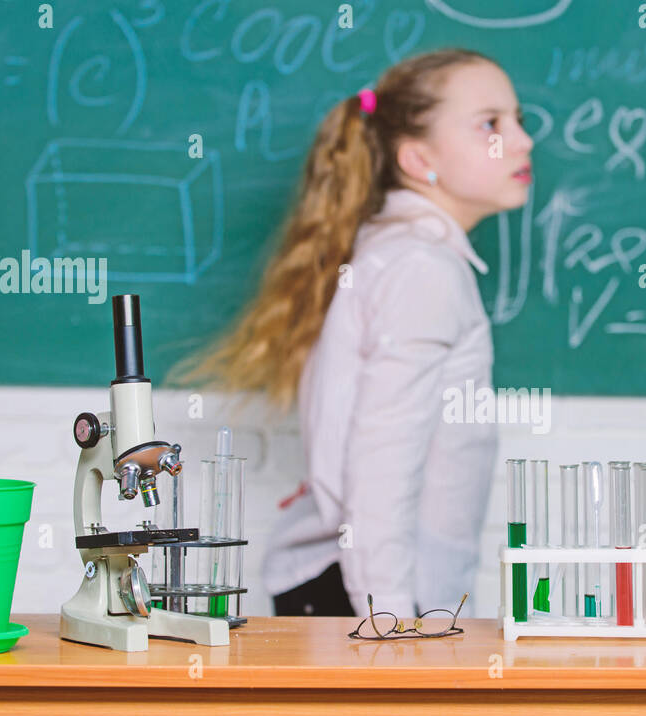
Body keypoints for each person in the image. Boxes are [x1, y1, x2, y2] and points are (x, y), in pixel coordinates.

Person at [172, 49, 534, 617]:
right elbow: (382, 463)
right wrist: (387, 622)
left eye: (518, 120)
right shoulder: (422, 269)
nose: (522, 140)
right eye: (491, 124)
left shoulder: (402, 255)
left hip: (353, 583)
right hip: (370, 593)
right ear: (419, 158)